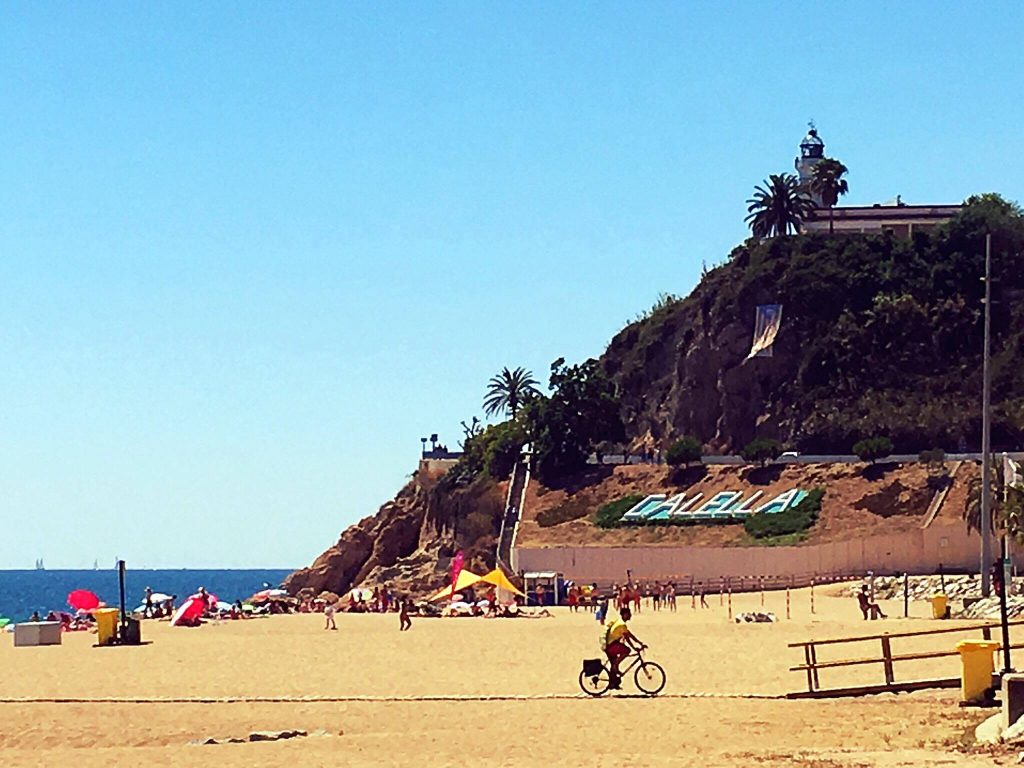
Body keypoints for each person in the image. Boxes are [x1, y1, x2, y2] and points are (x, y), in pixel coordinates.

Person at [602, 606, 645, 689]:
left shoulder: (620, 623)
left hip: (610, 645)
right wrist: (634, 648)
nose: (630, 615)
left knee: (614, 664)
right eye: (629, 614)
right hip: (611, 646)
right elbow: (627, 638)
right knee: (627, 651)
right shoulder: (622, 624)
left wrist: (639, 643)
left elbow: (630, 635)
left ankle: (613, 683)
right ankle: (616, 665)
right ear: (625, 614)